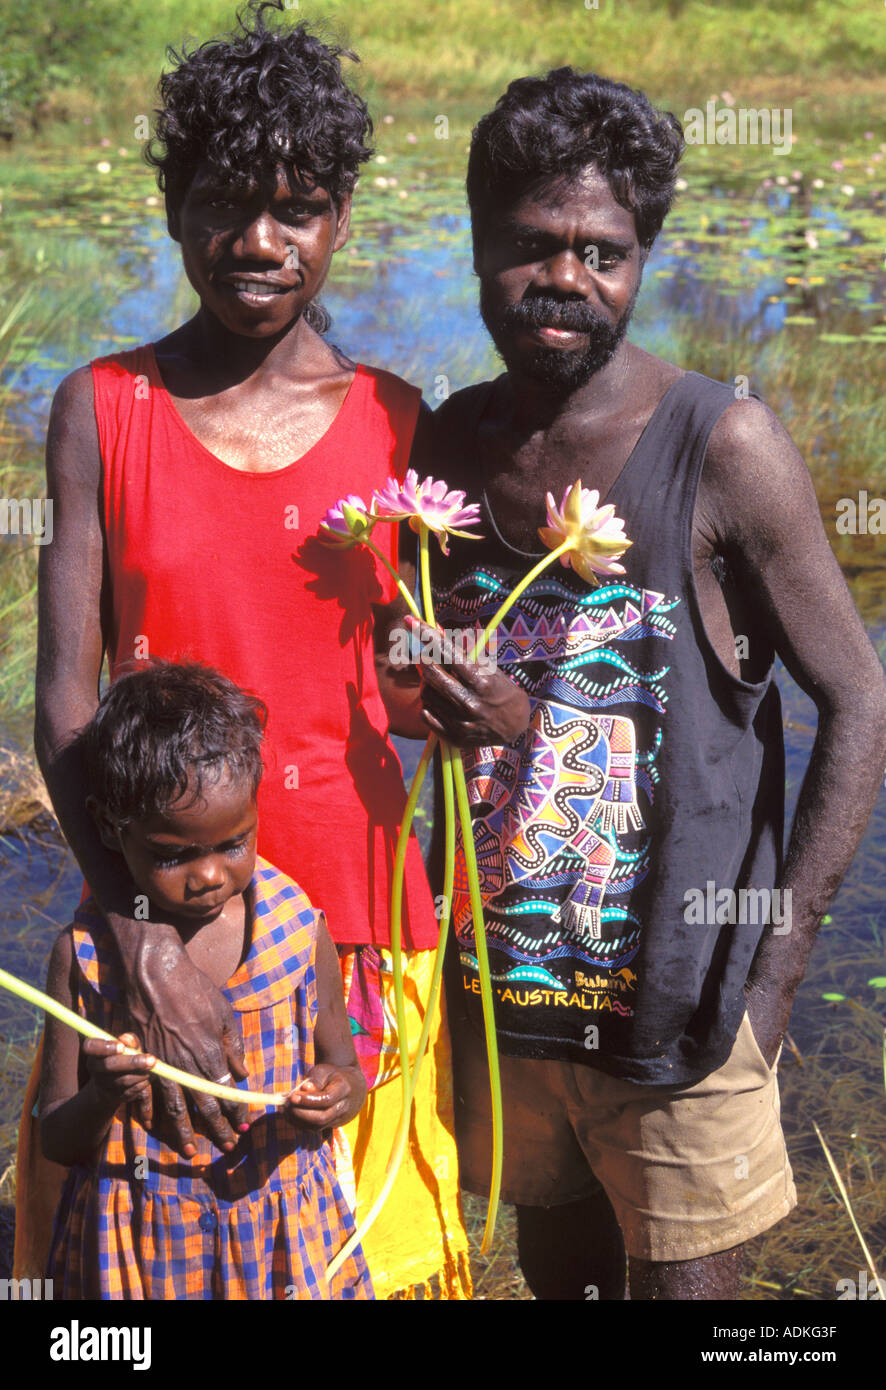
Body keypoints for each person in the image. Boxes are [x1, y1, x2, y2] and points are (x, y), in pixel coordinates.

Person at [390, 68, 886, 1300]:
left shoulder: (723, 445)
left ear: (642, 255)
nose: (564, 279)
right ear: (475, 241)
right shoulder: (446, 447)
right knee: (556, 1263)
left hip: (684, 999)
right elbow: (413, 673)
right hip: (504, 987)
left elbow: (860, 701)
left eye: (600, 251)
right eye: (529, 247)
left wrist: (771, 978)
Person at [23, 1, 476, 1298]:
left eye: (300, 206)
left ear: (341, 219)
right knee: (145, 1261)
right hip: (157, 906)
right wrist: (139, 933)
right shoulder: (105, 409)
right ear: (173, 207)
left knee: (361, 1261)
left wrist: (463, 686)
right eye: (226, 200)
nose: (259, 241)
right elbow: (68, 700)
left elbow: (404, 678)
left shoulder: (396, 421)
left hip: (362, 917)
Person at [40, 660, 373, 1300]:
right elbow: (58, 1137)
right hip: (143, 1243)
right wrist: (103, 1094)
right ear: (109, 827)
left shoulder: (299, 930)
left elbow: (345, 1068)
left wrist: (337, 1095)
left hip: (280, 1234)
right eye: (172, 853)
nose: (210, 877)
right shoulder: (83, 957)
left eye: (234, 843)